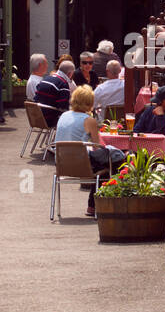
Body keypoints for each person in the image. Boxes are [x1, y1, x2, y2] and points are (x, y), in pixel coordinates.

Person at [54, 85, 126, 217]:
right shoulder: (89, 120)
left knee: (104, 162)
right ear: (90, 103)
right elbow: (97, 148)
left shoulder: (64, 115)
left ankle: (93, 206)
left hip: (61, 164)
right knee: (114, 162)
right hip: (81, 166)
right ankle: (98, 205)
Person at [34, 59, 75, 126]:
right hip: (50, 119)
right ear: (70, 73)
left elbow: (36, 97)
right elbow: (63, 107)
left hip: (36, 117)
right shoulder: (63, 84)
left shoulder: (46, 78)